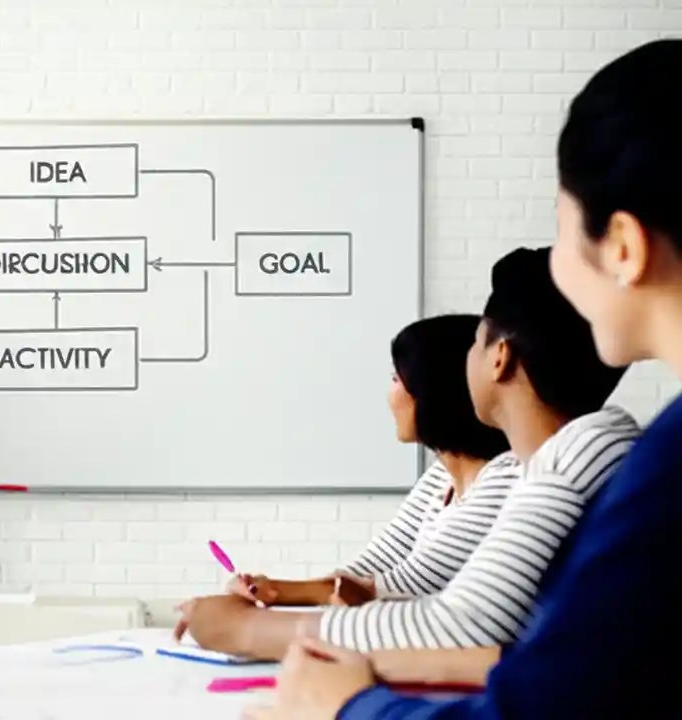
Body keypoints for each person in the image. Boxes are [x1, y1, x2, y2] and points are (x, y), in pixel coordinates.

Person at [252, 38, 682, 720]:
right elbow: (544, 667)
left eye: (563, 226)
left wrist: (348, 705)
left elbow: (533, 692)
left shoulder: (649, 455)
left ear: (623, 246)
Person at [177, 246, 634, 666]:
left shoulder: (588, 445)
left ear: (500, 358)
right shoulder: (567, 454)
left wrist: (244, 628)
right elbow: (454, 613)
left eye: (476, 342)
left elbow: (463, 625)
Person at [225, 314, 517, 609]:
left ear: (432, 391)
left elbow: (407, 587)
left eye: (395, 379)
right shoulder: (440, 477)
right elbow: (368, 569)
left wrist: (279, 593)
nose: (389, 395)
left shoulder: (502, 476)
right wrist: (270, 589)